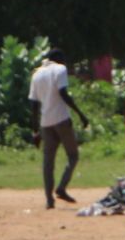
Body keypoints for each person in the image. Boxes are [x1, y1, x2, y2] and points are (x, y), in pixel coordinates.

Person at [29, 47, 90, 209]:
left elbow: (34, 105)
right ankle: (61, 187)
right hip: (62, 119)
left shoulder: (36, 74)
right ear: (59, 58)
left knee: (48, 162)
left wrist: (35, 131)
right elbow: (63, 93)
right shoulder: (60, 69)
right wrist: (80, 114)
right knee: (73, 155)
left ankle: (49, 200)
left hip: (45, 123)